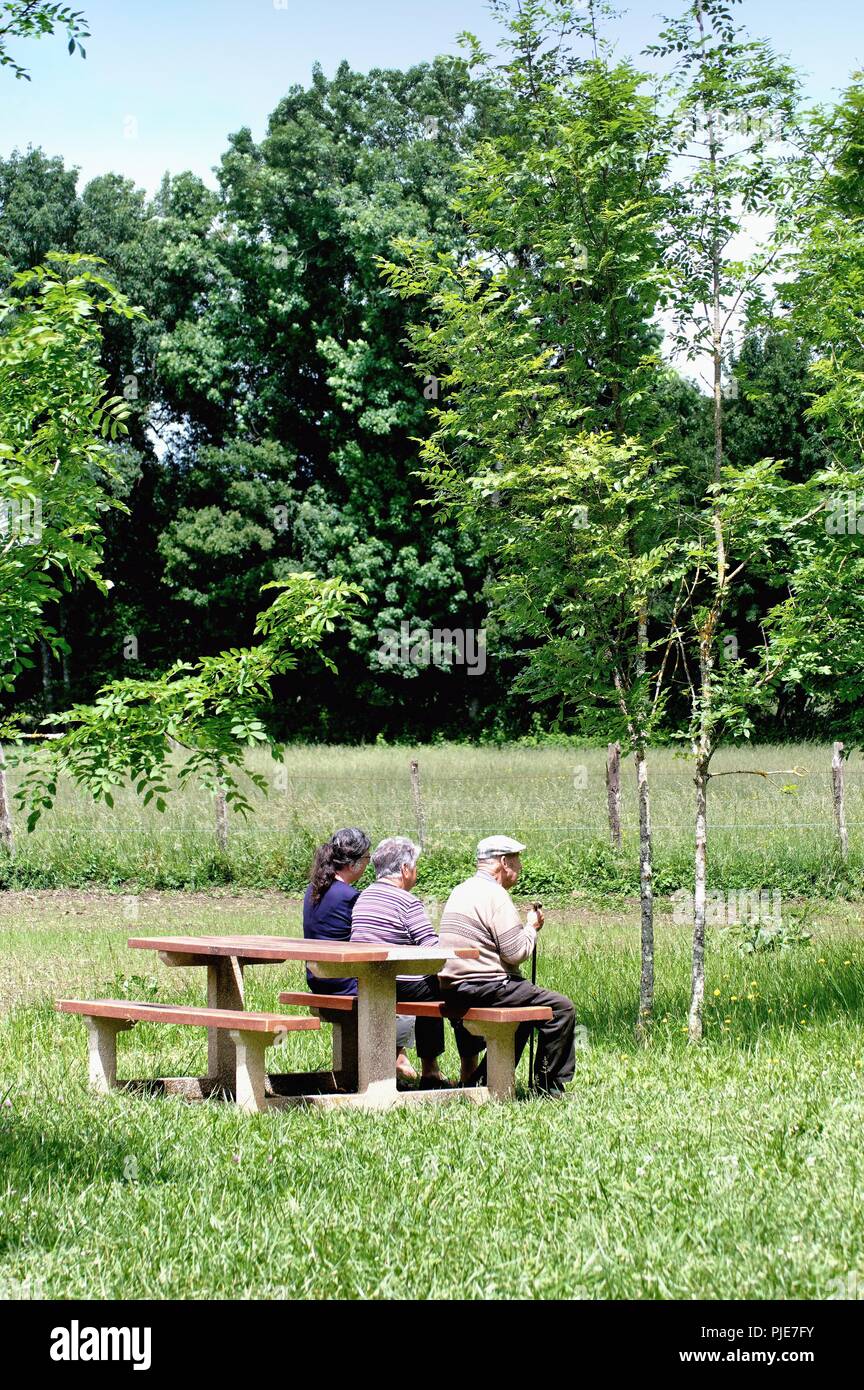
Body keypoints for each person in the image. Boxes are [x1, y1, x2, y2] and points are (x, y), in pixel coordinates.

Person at [438, 834, 576, 1096]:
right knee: (560, 1009)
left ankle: (485, 1080)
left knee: (524, 1010)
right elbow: (516, 953)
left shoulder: (460, 890)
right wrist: (532, 928)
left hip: (452, 987)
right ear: (503, 862)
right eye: (517, 860)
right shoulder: (495, 895)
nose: (520, 867)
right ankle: (550, 1085)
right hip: (486, 986)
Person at [303, 827, 418, 1083]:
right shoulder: (350, 896)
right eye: (366, 860)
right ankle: (392, 1059)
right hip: (343, 983)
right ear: (353, 863)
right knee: (401, 988)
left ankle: (392, 1059)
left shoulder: (313, 889)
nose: (367, 866)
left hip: (317, 979)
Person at [350, 836, 452, 1089]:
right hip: (398, 981)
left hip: (365, 979)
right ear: (405, 869)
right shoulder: (408, 902)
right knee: (438, 989)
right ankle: (431, 1071)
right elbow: (432, 949)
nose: (415, 871)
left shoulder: (363, 897)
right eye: (415, 865)